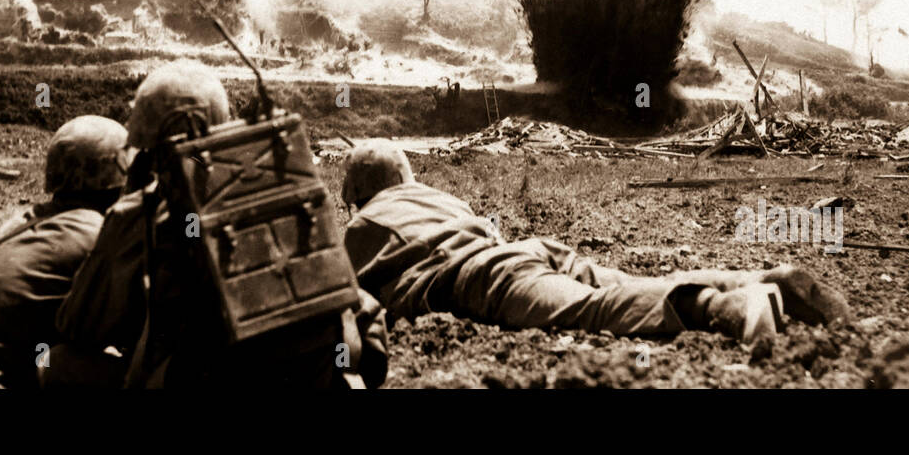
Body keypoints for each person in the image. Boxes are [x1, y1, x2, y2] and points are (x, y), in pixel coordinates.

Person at [56, 59, 388, 388]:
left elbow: (79, 326)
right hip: (317, 375)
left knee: (59, 362)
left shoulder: (143, 213)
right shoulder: (288, 190)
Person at [342, 139, 850, 344]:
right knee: (629, 282)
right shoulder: (442, 198)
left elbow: (343, 301)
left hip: (480, 277)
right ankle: (757, 279)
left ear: (361, 191)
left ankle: (721, 307)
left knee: (590, 311)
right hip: (528, 252)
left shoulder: (361, 226)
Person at [0, 115, 130, 388]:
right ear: (118, 175)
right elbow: (122, 327)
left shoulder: (19, 222)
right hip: (3, 381)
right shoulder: (96, 233)